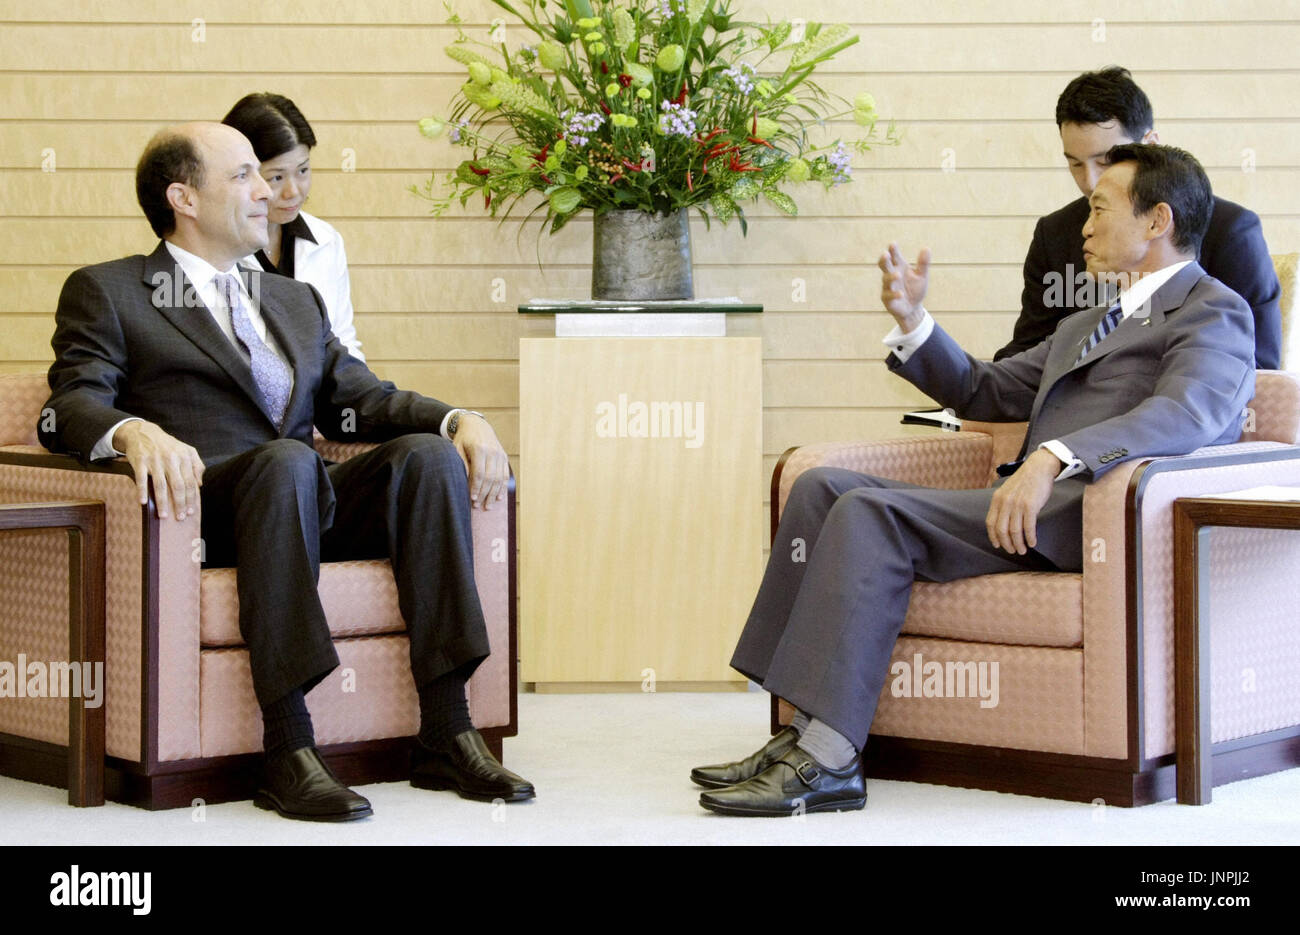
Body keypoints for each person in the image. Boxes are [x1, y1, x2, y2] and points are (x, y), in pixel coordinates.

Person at [692, 143, 1256, 816]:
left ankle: (831, 758)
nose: (1084, 223)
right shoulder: (1085, 322)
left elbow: (1186, 412)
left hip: (1090, 516)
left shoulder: (1213, 310)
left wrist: (1053, 456)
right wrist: (913, 323)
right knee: (822, 487)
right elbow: (982, 389)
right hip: (1025, 504)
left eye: (1101, 207)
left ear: (1158, 220)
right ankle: (798, 730)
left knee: (869, 514)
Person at [38, 122, 533, 822]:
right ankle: (289, 747)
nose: (266, 190)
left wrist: (457, 420)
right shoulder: (111, 290)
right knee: (285, 460)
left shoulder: (292, 300)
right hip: (211, 510)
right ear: (183, 195)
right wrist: (132, 430)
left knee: (422, 457)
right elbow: (70, 401)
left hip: (307, 498)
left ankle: (447, 730)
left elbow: (363, 399)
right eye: (243, 175)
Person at [995, 66, 1280, 369]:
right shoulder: (1055, 234)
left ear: (1151, 145)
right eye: (1076, 164)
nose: (1090, 182)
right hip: (1075, 409)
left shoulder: (1229, 231)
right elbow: (1027, 351)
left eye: (1106, 161)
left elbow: (1259, 366)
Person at [221, 93, 365, 360]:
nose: (293, 192)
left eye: (303, 171)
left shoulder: (326, 240)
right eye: (276, 177)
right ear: (239, 175)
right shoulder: (213, 249)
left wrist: (358, 399)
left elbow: (343, 342)